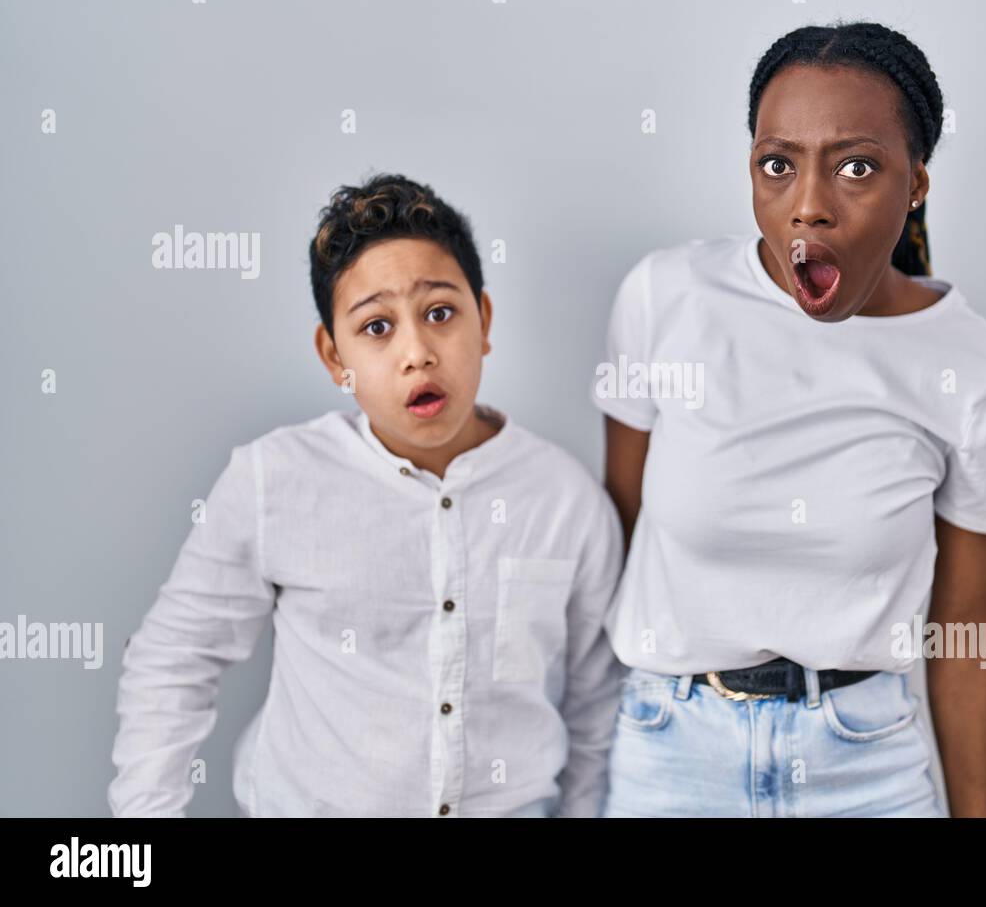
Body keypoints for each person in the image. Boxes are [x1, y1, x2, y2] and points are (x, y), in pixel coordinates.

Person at [592, 22, 986, 817]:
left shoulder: (974, 367)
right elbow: (613, 542)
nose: (808, 209)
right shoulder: (665, 299)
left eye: (857, 167)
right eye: (777, 166)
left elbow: (966, 630)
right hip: (669, 759)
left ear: (917, 182)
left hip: (866, 771)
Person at [109, 173, 624, 817]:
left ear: (484, 320)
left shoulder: (565, 503)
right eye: (377, 327)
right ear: (334, 356)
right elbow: (173, 659)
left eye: (440, 313)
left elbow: (597, 710)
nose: (417, 353)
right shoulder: (276, 480)